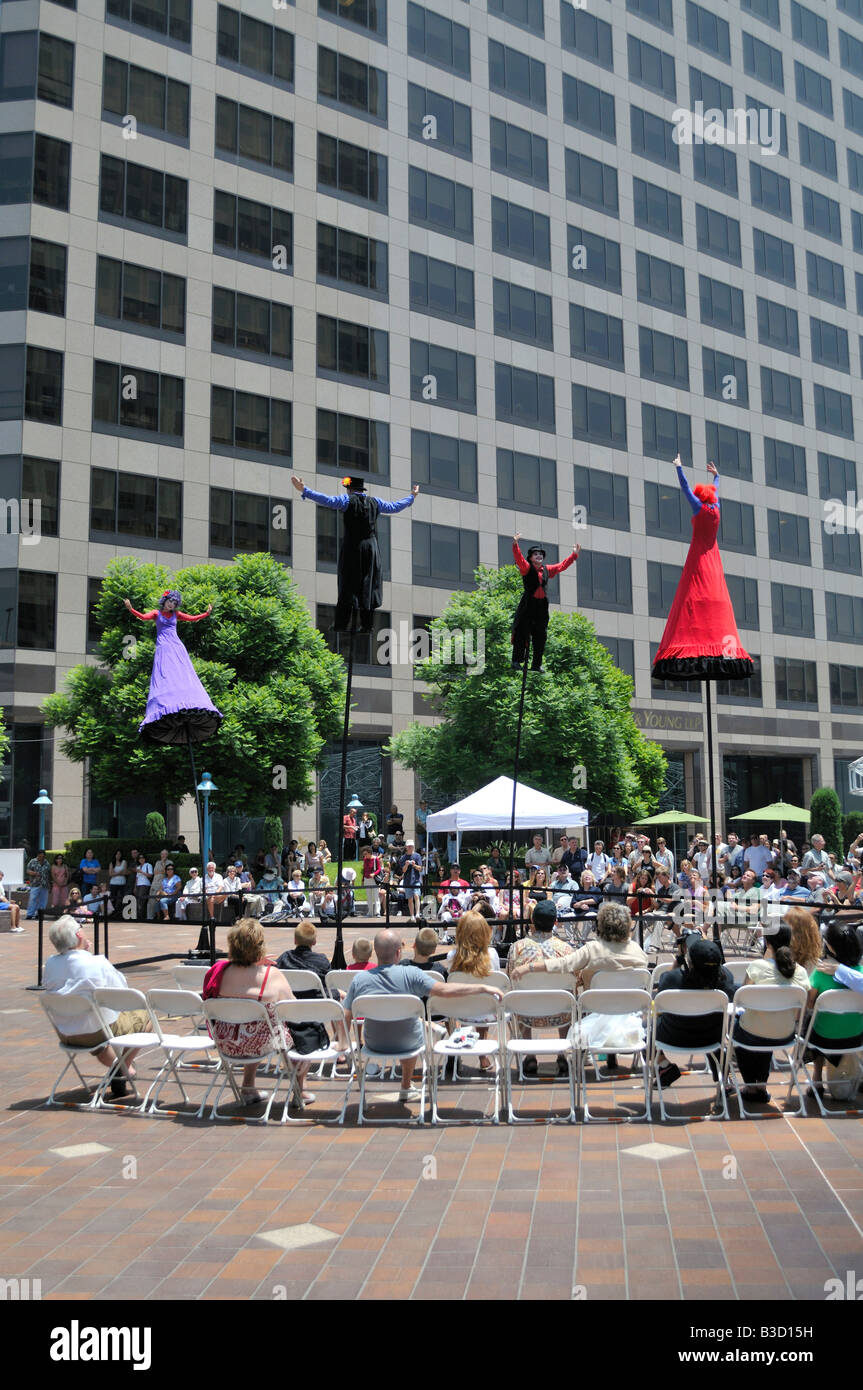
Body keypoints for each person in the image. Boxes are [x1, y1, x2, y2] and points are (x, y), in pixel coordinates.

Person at [342, 929, 504, 1102]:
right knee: (409, 1028)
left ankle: (407, 1078)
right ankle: (405, 1085)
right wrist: (482, 988)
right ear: (398, 952)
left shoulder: (360, 980)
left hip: (373, 1044)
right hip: (408, 1043)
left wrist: (344, 1044)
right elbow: (445, 990)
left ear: (376, 952)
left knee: (406, 1023)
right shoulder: (411, 974)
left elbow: (346, 1015)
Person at [651, 457, 753, 681]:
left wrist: (678, 467)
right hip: (713, 558)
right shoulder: (716, 508)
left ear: (701, 496)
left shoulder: (699, 508)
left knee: (690, 593)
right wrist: (717, 476)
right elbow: (716, 490)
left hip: (698, 557)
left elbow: (686, 488)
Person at [204, 918, 312, 1105]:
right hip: (260, 1044)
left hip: (226, 1042)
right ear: (260, 945)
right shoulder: (271, 975)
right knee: (302, 1029)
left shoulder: (219, 973)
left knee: (249, 1024)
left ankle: (248, 1086)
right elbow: (294, 1009)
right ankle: (300, 1091)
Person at [291, 473, 419, 631]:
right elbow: (395, 506)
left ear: (350, 489)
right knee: (369, 583)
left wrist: (305, 490)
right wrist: (411, 497)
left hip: (353, 547)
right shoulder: (375, 502)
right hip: (371, 549)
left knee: (347, 583)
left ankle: (340, 624)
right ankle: (367, 626)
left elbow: (327, 500)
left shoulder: (346, 501)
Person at [43, 915, 153, 1096]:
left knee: (92, 1020)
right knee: (145, 1016)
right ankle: (123, 1067)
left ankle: (120, 1068)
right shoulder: (96, 962)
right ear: (79, 935)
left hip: (66, 1032)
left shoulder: (50, 964)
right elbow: (122, 991)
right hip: (95, 1033)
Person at [124, 590, 221, 742]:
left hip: (176, 645)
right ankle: (167, 698)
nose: (172, 605)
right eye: (170, 602)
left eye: (174, 603)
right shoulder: (157, 613)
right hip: (163, 646)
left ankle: (183, 696)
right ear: (165, 600)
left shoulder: (176, 614)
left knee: (181, 671)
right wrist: (131, 609)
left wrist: (206, 614)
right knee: (165, 672)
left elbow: (191, 618)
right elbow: (143, 617)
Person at [730, 924, 811, 1103]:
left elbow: (742, 999)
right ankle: (761, 1086)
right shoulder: (801, 972)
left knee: (741, 1030)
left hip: (752, 1033)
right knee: (767, 1025)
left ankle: (751, 1086)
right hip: (785, 1035)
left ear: (767, 942)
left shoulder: (757, 966)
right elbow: (800, 1012)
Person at [652, 936, 736, 1088]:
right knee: (712, 1023)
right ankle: (725, 1078)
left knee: (646, 1029)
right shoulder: (725, 979)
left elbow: (660, 996)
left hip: (672, 1036)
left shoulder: (673, 979)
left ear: (690, 962)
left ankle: (664, 1065)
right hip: (711, 1038)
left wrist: (678, 961)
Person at [511, 899, 648, 990]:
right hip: (630, 1013)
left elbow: (564, 964)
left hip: (597, 1010)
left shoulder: (592, 948)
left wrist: (528, 967)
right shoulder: (638, 951)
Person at [506, 899, 574, 1075]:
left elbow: (510, 976)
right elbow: (577, 979)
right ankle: (562, 1053)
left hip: (527, 1014)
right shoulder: (566, 950)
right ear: (556, 922)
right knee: (567, 994)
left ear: (532, 921)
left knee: (519, 994)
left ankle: (529, 1055)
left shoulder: (517, 948)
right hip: (560, 1014)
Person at [806, 922, 863, 1094]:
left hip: (824, 1038)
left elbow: (809, 1004)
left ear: (830, 946)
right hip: (856, 1037)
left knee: (808, 1021)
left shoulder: (820, 972)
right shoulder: (861, 971)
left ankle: (816, 1078)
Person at [509, 534, 579, 670]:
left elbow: (562, 566)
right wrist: (515, 544)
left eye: (540, 554)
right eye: (536, 554)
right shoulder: (526, 567)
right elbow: (519, 558)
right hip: (528, 605)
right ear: (531, 557)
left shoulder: (547, 569)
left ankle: (536, 665)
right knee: (521, 633)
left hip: (541, 607)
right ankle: (516, 661)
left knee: (540, 637)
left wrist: (574, 555)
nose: (539, 556)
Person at [25, 849, 51, 919]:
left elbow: (49, 874)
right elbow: (27, 870)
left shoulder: (47, 863)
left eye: (43, 856)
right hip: (35, 884)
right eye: (40, 856)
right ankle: (30, 914)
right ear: (37, 856)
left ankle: (40, 914)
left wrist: (50, 884)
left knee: (43, 900)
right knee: (32, 899)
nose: (41, 858)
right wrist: (34, 873)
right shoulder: (32, 861)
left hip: (44, 884)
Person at [362, 845, 383, 917]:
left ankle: (377, 912)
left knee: (376, 896)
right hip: (367, 879)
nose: (365, 855)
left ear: (370, 853)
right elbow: (364, 870)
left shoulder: (375, 859)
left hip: (374, 879)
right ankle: (370, 912)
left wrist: (374, 874)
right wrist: (362, 880)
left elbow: (379, 869)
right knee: (369, 897)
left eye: (366, 854)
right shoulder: (365, 859)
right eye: (364, 854)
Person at [108, 850, 128, 917]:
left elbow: (125, 872)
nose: (118, 855)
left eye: (119, 854)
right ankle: (112, 912)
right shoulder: (112, 863)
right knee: (113, 898)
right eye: (117, 854)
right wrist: (119, 873)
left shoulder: (124, 862)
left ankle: (121, 912)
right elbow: (110, 874)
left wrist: (115, 873)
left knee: (122, 898)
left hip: (122, 883)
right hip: (113, 883)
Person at [134, 852, 153, 922]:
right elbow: (137, 878)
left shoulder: (148, 865)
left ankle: (140, 918)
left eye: (142, 858)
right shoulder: (138, 867)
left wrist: (141, 872)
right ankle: (139, 917)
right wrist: (135, 887)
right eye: (140, 858)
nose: (141, 859)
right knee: (138, 901)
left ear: (145, 859)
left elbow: (150, 875)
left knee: (141, 901)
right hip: (138, 885)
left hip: (145, 885)